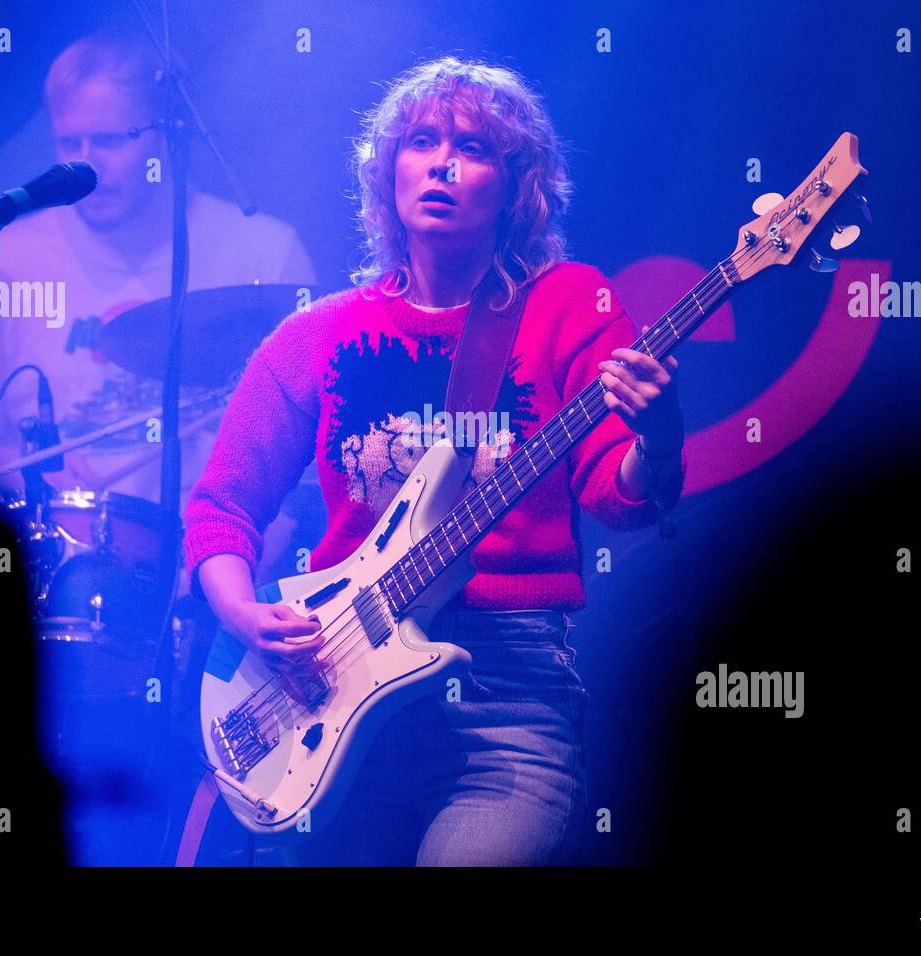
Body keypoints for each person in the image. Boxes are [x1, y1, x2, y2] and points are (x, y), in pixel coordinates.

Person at [185, 57, 687, 865]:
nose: (443, 162)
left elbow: (617, 495)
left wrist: (659, 434)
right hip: (329, 686)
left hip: (507, 701)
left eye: (474, 147)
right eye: (422, 141)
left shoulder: (568, 303)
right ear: (389, 175)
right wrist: (244, 616)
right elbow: (223, 508)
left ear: (517, 185)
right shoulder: (319, 335)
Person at [0, 27, 318, 517]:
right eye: (69, 140)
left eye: (110, 140)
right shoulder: (6, 261)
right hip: (61, 553)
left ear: (167, 132)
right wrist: (32, 473)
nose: (85, 163)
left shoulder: (265, 252)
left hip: (219, 553)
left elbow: (308, 448)